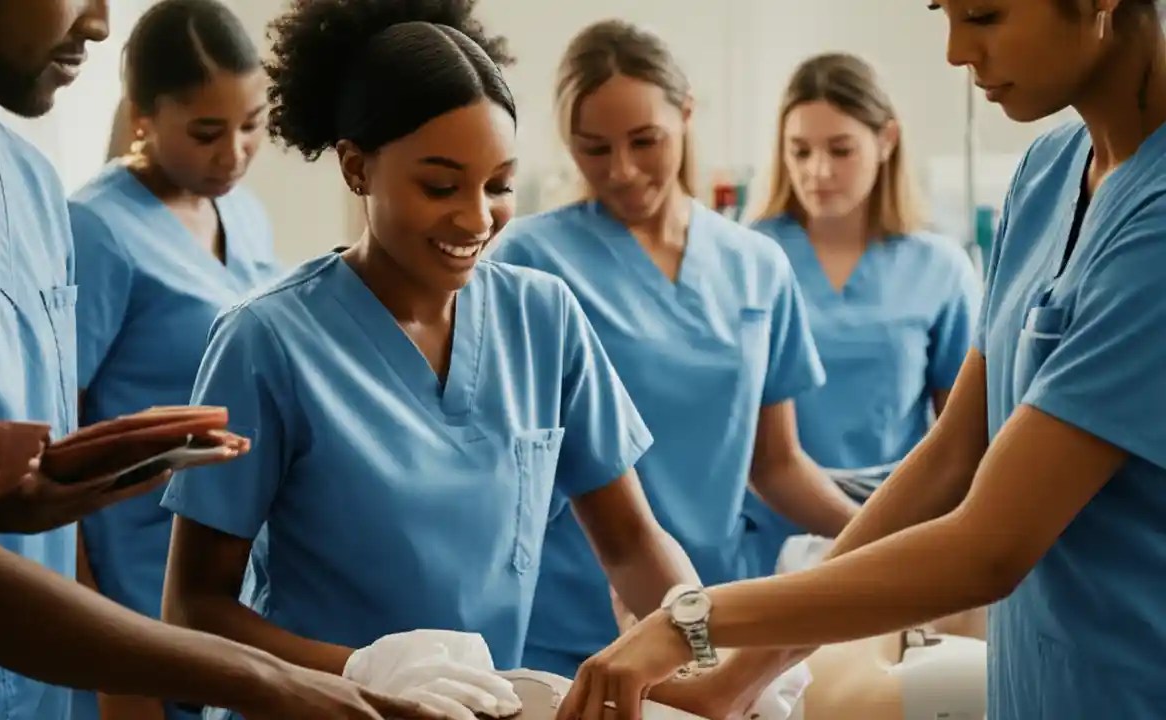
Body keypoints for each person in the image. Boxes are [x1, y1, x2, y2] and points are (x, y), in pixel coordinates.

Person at [555, 1, 1166, 719]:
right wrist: (740, 674)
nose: (955, 51)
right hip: (1035, 687)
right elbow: (950, 455)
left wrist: (695, 619)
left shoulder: (1153, 224)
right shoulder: (1047, 174)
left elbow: (990, 547)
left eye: (985, 14)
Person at [0, 1, 444, 718]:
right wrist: (267, 679)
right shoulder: (94, 222)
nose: (97, 22)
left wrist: (34, 492)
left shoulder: (25, 182)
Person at [158, 1, 706, 718]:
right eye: (441, 186)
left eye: (499, 185)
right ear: (357, 167)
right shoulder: (266, 342)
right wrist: (360, 672)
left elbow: (632, 542)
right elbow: (193, 608)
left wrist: (706, 647)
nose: (477, 218)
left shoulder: (543, 318)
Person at [487, 19, 859, 686]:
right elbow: (499, 462)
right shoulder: (529, 260)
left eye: (645, 141)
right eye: (593, 148)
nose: (622, 171)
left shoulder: (756, 265)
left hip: (713, 612)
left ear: (686, 114)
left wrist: (880, 537)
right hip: (567, 622)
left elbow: (776, 465)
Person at [69, 2, 283, 719]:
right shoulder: (97, 228)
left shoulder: (245, 214)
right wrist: (102, 655)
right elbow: (54, 442)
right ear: (143, 117)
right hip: (135, 590)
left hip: (236, 584)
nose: (234, 153)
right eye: (206, 132)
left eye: (253, 125)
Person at [739, 52, 981, 578]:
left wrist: (897, 543)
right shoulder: (747, 258)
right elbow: (751, 444)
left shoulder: (939, 268)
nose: (817, 171)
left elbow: (964, 436)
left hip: (901, 523)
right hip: (770, 535)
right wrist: (862, 541)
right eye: (799, 151)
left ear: (886, 140)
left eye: (840, 150)